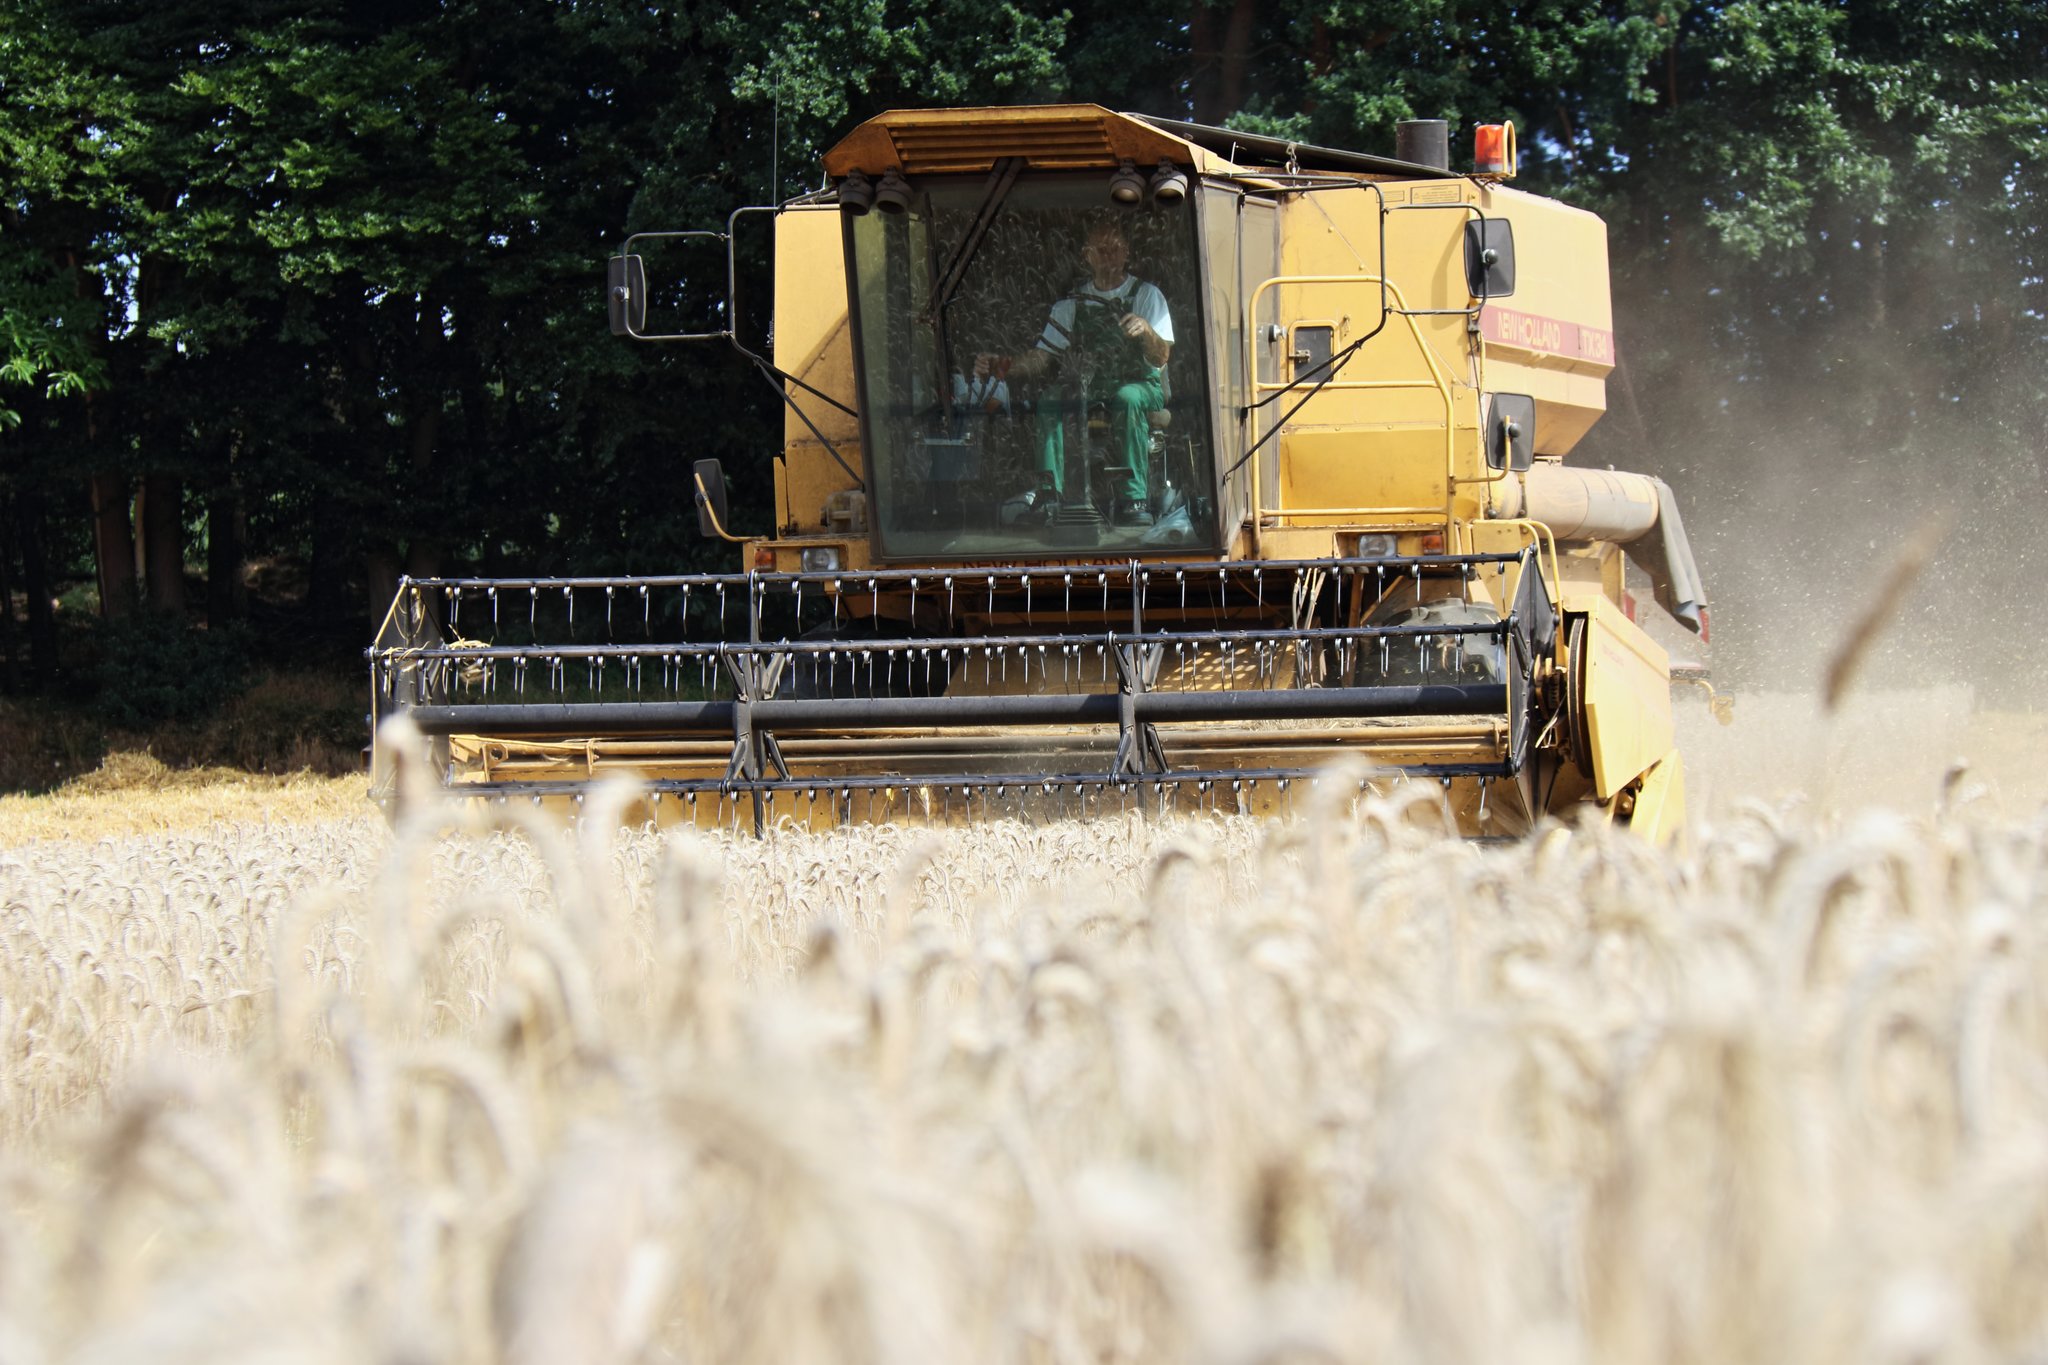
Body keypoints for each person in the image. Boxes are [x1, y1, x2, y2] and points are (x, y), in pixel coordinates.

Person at [1008, 217, 1172, 526]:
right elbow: (1042, 357)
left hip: (1142, 387)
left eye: (1115, 249)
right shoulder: (1072, 304)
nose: (1109, 256)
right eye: (1101, 250)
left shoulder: (1147, 296)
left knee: (1127, 397)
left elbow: (1163, 355)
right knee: (1052, 399)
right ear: (1088, 256)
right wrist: (1005, 366)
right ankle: (1049, 496)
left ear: (1126, 253)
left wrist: (1147, 330)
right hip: (1092, 389)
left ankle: (1133, 498)